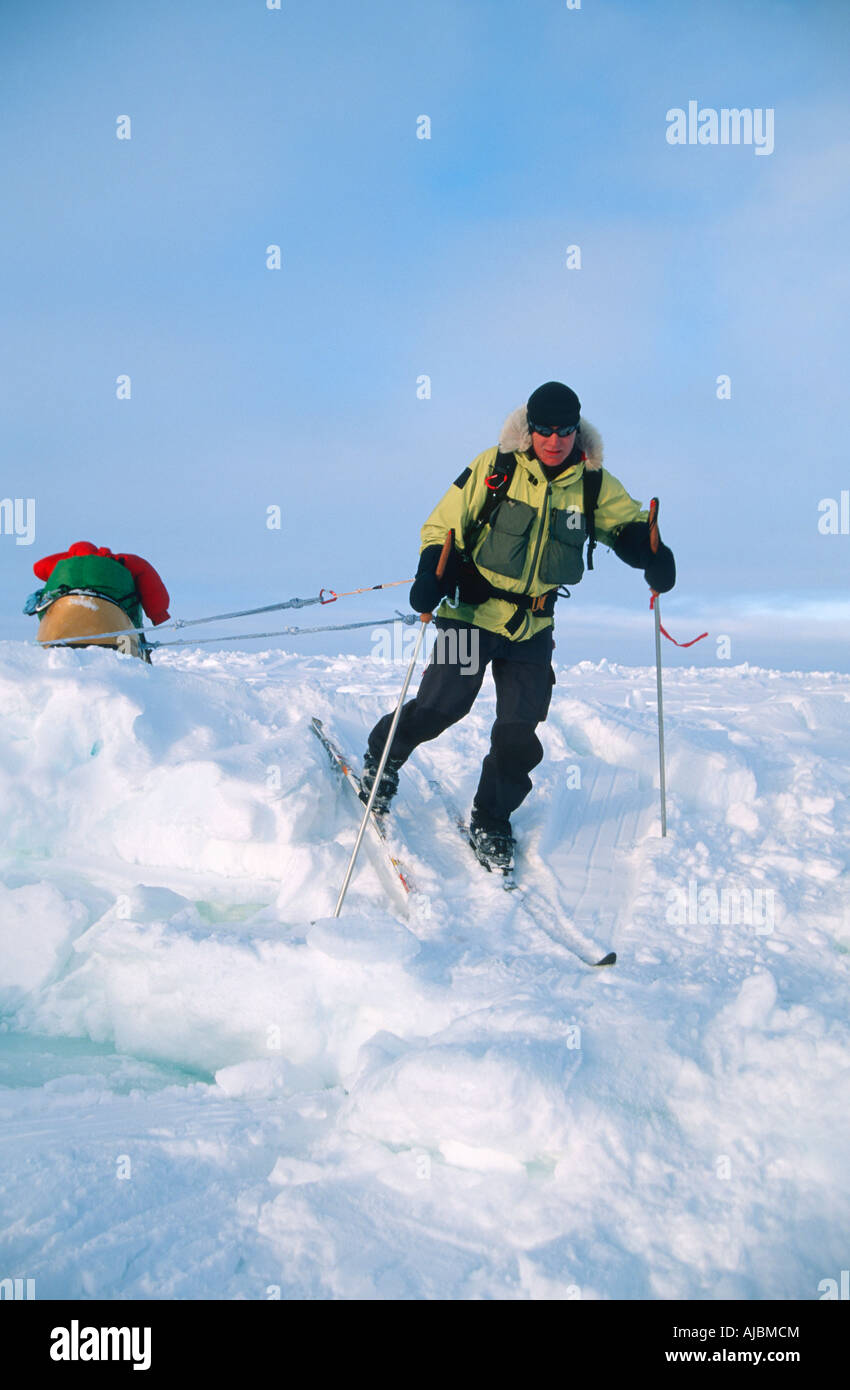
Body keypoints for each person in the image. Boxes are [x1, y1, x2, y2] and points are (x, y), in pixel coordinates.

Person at [360, 381, 676, 870]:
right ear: (531, 430)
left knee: (519, 731)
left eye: (564, 431)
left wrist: (651, 554)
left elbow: (628, 527)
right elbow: (442, 526)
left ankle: (491, 817)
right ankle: (382, 761)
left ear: (577, 430)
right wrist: (432, 573)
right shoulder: (496, 466)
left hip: (533, 626)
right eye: (545, 430)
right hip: (470, 613)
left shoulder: (592, 484)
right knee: (441, 706)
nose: (554, 441)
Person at [27, 541, 171, 658]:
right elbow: (152, 584)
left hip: (62, 616)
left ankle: (51, 642)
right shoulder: (124, 561)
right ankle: (127, 647)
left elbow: (38, 568)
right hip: (112, 619)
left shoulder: (63, 563)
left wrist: (68, 559)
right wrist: (159, 614)